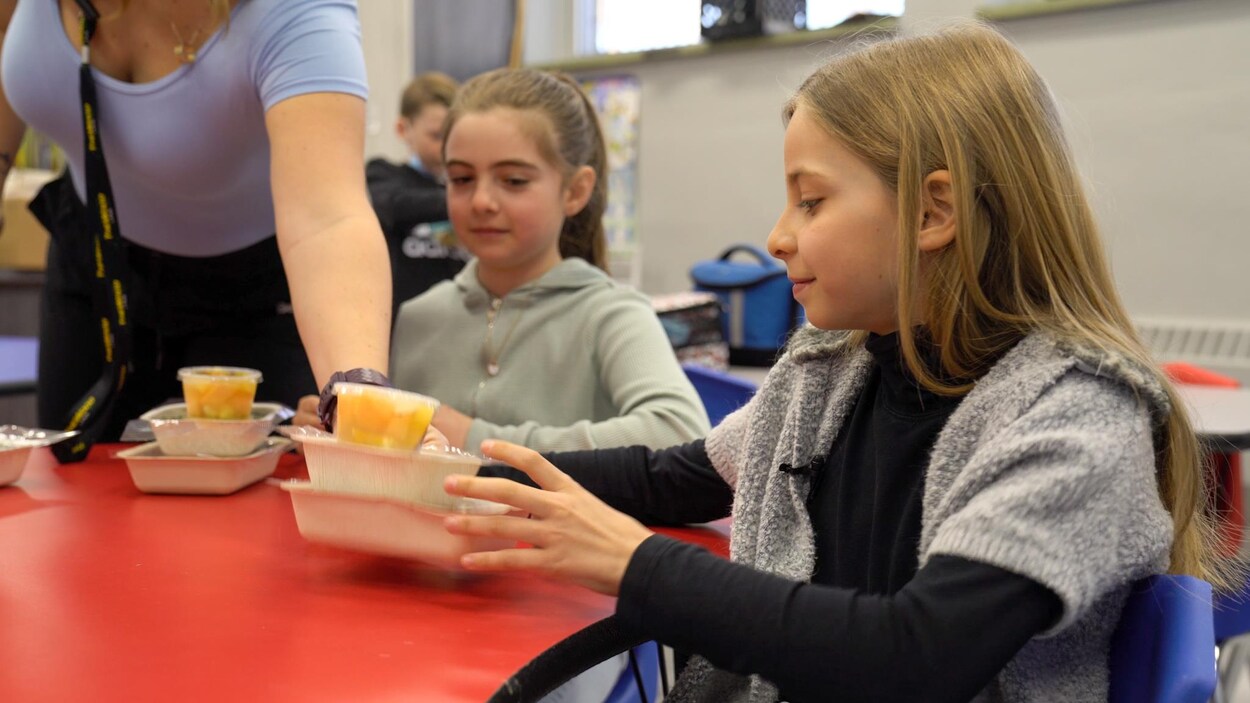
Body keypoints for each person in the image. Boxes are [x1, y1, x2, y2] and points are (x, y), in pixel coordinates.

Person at [437, 23, 1238, 702]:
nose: (780, 234)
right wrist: (447, 470)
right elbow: (668, 476)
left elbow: (915, 655)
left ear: (934, 211)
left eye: (810, 200)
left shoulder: (1076, 416)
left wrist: (639, 565)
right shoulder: (829, 371)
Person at [0, 0, 392, 455]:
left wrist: (361, 399)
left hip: (254, 294)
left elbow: (328, 217)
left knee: (251, 513)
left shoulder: (291, 11)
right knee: (74, 481)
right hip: (96, 258)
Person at [389, 67, 709, 453]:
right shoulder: (417, 317)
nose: (481, 202)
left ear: (575, 191)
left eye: (513, 181)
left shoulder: (610, 315)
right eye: (461, 179)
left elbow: (680, 434)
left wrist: (476, 439)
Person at [365, 71, 470, 320]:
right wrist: (465, 199)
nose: (446, 146)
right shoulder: (384, 175)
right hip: (403, 324)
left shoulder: (466, 185)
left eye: (454, 134)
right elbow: (391, 205)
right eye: (436, 135)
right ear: (403, 129)